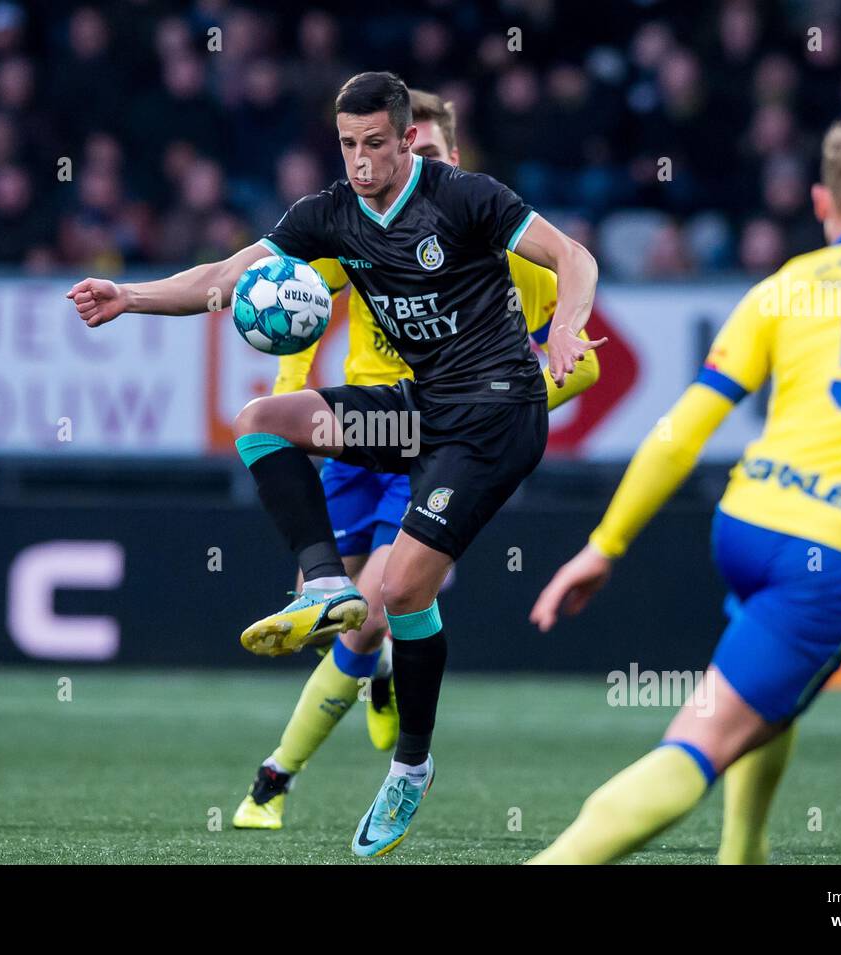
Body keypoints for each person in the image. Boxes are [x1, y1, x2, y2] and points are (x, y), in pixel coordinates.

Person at [68, 72, 601, 857]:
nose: (360, 161)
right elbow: (225, 278)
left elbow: (574, 255)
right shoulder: (329, 215)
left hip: (497, 410)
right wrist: (130, 295)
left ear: (407, 139)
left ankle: (410, 766)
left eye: (375, 145)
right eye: (348, 145)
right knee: (262, 423)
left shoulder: (465, 199)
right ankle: (322, 584)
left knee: (401, 587)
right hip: (420, 406)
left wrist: (567, 327)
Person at [526, 116, 841, 864]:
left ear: (822, 203)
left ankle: (743, 853)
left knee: (765, 690)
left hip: (747, 524)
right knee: (698, 744)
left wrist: (605, 543)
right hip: (840, 545)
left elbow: (681, 429)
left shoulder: (786, 287)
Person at [232, 89, 602, 831]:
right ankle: (371, 675)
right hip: (372, 428)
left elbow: (581, 357)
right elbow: (290, 300)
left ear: (437, 157)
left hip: (457, 433)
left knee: (378, 608)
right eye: (355, 149)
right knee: (349, 608)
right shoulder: (351, 229)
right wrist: (289, 393)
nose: (378, 168)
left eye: (412, 154)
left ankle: (278, 777)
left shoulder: (485, 231)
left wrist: (501, 416)